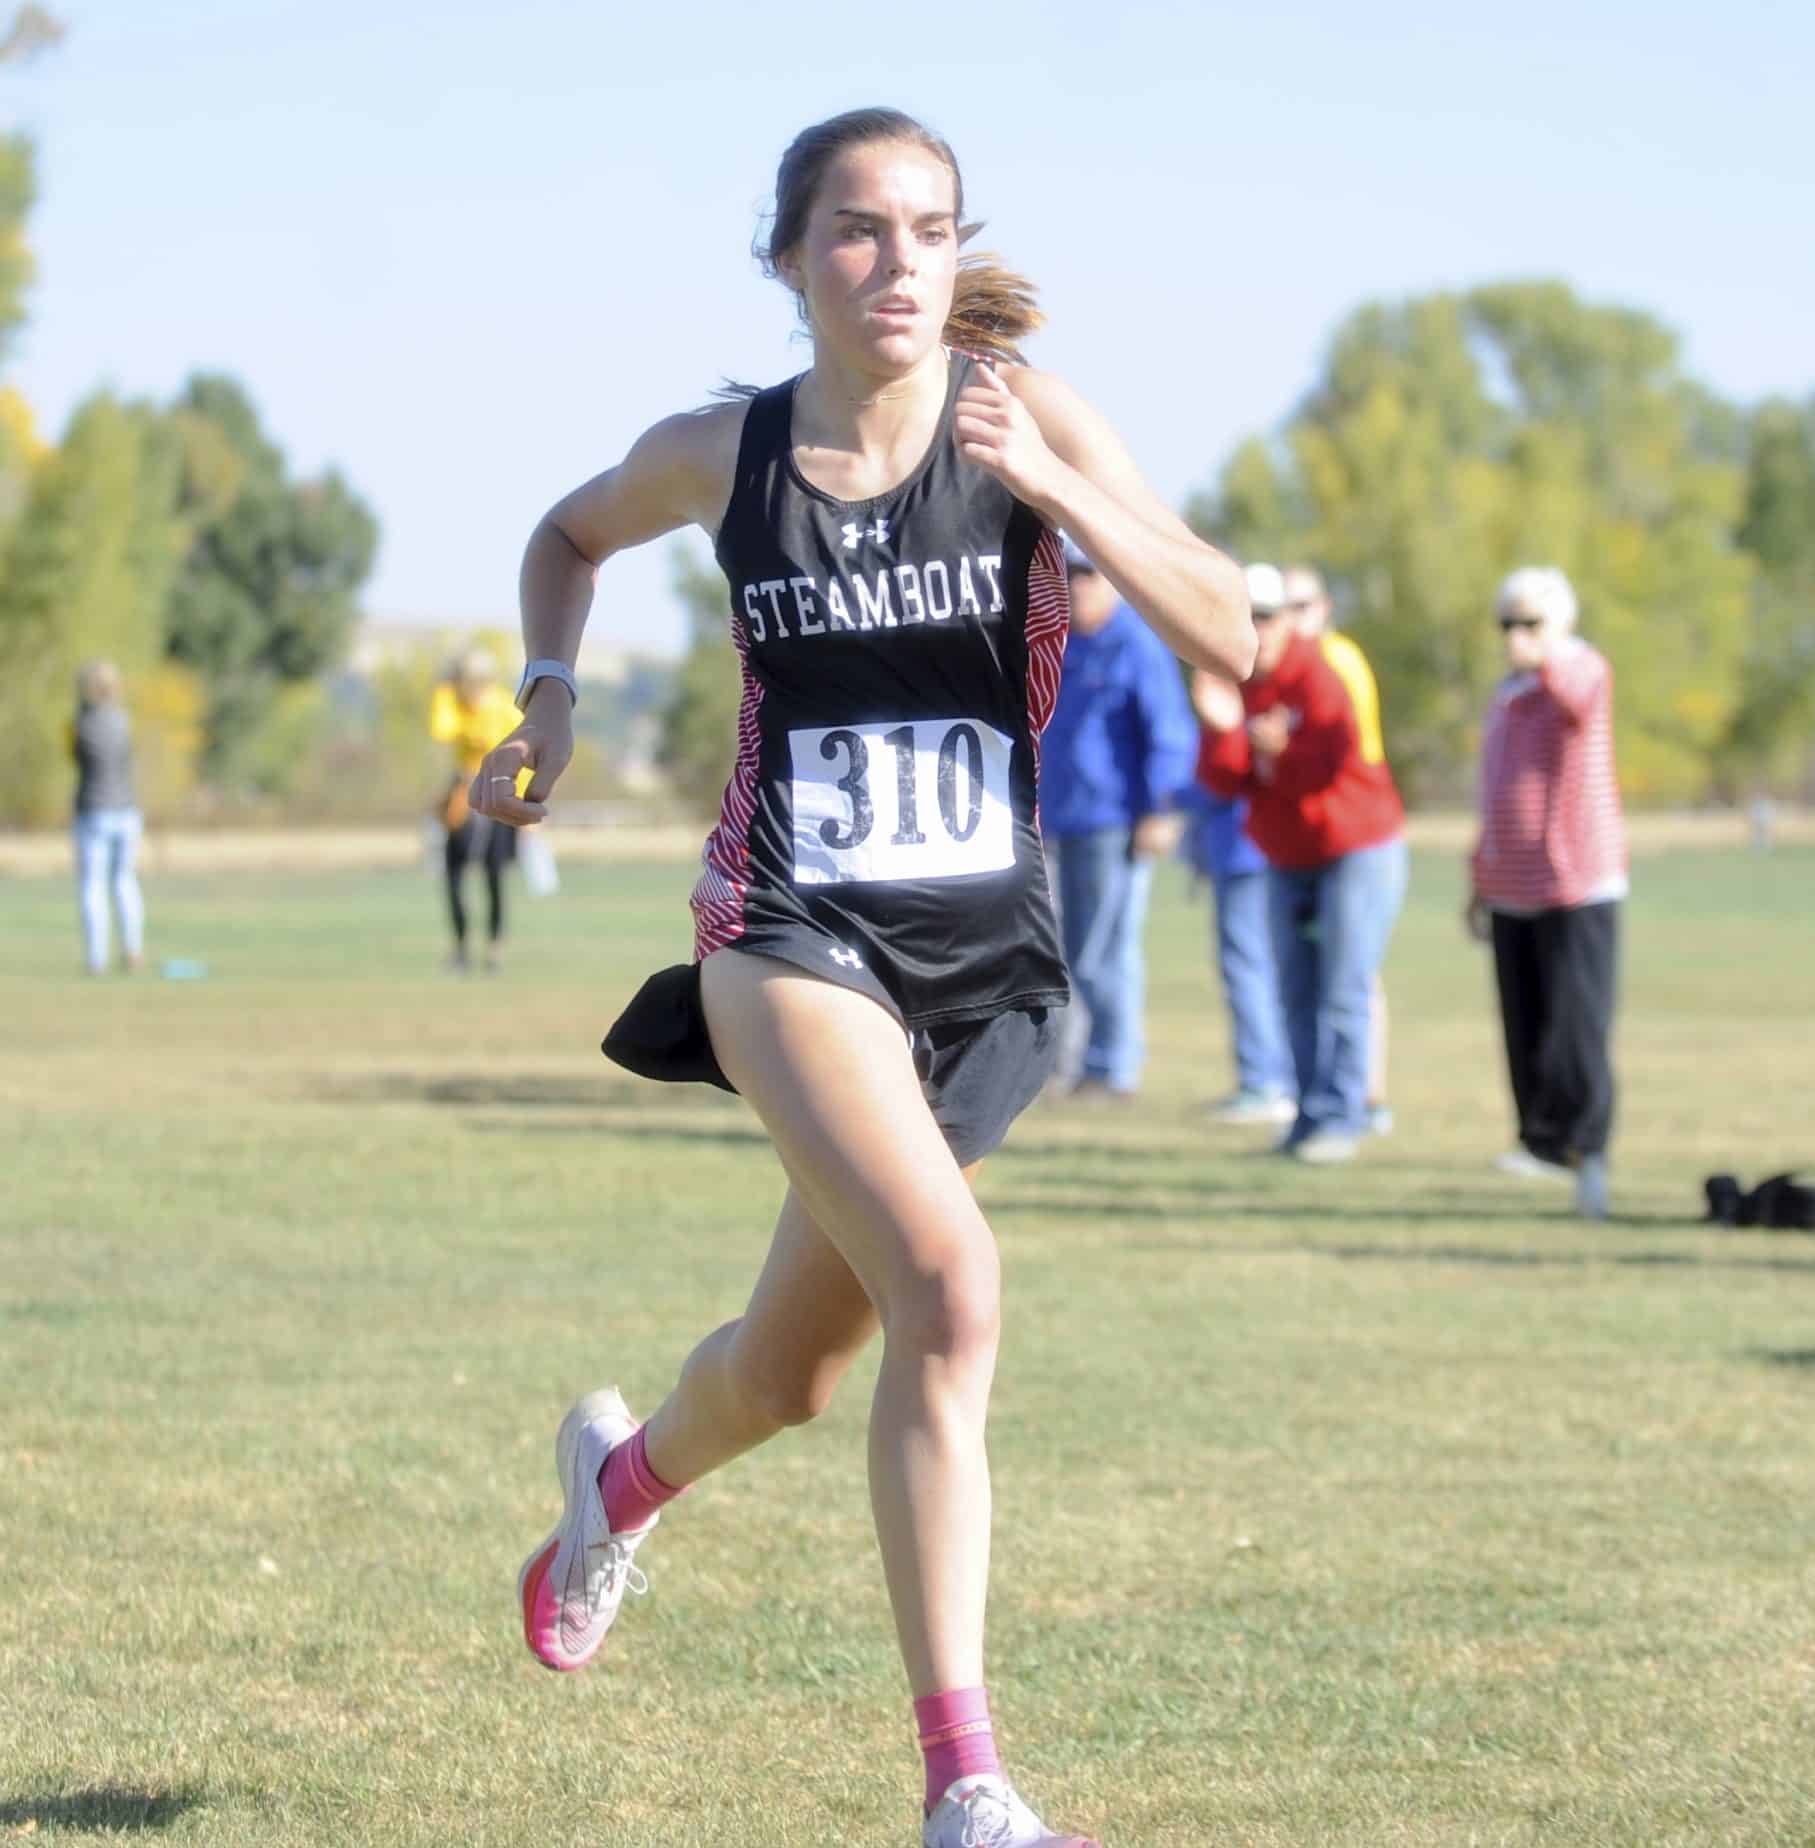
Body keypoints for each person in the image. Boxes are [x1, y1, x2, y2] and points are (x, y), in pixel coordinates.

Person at [467, 108, 1250, 1848]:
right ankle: (965, 1784)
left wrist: (1055, 491)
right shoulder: (726, 454)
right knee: (953, 1297)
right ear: (789, 256)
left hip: (988, 970)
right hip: (789, 934)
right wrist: (549, 690)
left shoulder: (1026, 414)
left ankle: (619, 1485)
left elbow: (1235, 633)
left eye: (930, 230)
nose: (900, 265)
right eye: (858, 231)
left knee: (791, 1370)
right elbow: (568, 535)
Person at [1192, 562, 1406, 1163]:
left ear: (1288, 618)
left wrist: (1276, 752)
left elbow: (1332, 763)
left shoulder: (1318, 671)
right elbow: (1223, 781)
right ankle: (1307, 1119)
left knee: (1343, 986)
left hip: (1355, 849)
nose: (1256, 628)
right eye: (1245, 616)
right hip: (1289, 855)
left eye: (1265, 615)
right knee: (1296, 990)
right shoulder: (1230, 678)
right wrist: (1224, 730)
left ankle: (1343, 1116)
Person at [1463, 568, 1627, 1221]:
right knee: (1524, 1023)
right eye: (1508, 625)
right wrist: (1480, 871)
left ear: (1560, 625)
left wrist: (1550, 653)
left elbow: (1580, 705)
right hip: (1513, 884)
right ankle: (1541, 1142)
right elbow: (1496, 786)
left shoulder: (1582, 670)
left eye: (1530, 624)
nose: (1516, 638)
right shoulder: (1509, 693)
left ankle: (1590, 1149)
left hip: (1576, 883)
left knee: (1576, 1027)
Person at [1036, 536, 1196, 1098]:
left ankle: (1111, 1065)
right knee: (1051, 949)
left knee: (1103, 949)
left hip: (1114, 823)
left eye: (1090, 575)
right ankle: (1062, 1064)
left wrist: (1161, 809)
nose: (1079, 586)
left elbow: (1170, 734)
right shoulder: (1052, 641)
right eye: (1071, 575)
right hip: (1054, 820)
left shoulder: (1135, 643)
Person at [1282, 564, 1395, 1135]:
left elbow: (1351, 755)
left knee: (1350, 981)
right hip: (1303, 849)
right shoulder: (1277, 672)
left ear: (1323, 608)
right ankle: (1325, 1107)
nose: (1289, 620)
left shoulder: (1336, 663)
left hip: (1354, 837)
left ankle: (1356, 1107)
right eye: (1280, 609)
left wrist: (1280, 751)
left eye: (1300, 606)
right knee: (1316, 985)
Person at [1173, 776, 1296, 1124]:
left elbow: (1225, 775)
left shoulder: (1238, 723)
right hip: (1251, 847)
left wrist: (1179, 792)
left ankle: (1265, 1084)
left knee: (1246, 967)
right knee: (1261, 966)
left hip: (1244, 850)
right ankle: (1278, 1081)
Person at [430, 648, 520, 973]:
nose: (474, 686)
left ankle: (495, 948)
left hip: (498, 790)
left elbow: (518, 747)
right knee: (454, 875)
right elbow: (442, 730)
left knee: (494, 875)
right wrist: (448, 692)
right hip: (463, 791)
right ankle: (460, 947)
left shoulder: (503, 703)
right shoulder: (452, 701)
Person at [68, 660, 145, 976]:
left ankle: (96, 959)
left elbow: (74, 757)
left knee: (93, 886)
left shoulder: (80, 725)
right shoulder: (124, 722)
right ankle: (133, 951)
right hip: (126, 810)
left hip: (92, 811)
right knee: (125, 881)